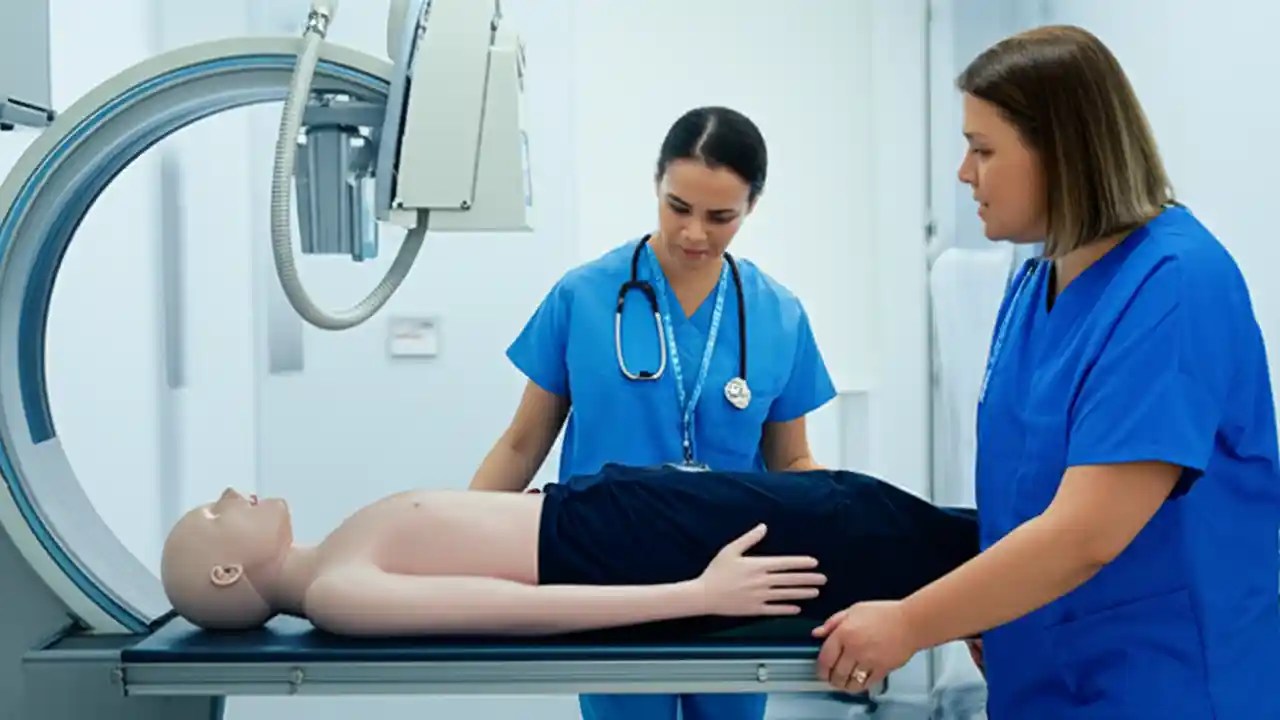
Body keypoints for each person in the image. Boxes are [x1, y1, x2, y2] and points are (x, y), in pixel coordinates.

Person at [809, 24, 1280, 718]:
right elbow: (1023, 491)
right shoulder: (1037, 281)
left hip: (1162, 685)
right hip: (1042, 678)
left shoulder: (1175, 284)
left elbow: (1088, 532)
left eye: (982, 149)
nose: (964, 173)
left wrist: (910, 623)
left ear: (1063, 151)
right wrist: (981, 605)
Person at [468, 105, 838, 719]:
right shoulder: (583, 296)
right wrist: (458, 541)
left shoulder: (778, 314)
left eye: (720, 217)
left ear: (752, 205)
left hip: (738, 576)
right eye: (678, 207)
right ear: (656, 184)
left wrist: (847, 539)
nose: (694, 233)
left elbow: (792, 460)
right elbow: (521, 443)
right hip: (609, 576)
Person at [160, 464, 979, 641]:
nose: (232, 493)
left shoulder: (335, 549)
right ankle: (1025, 576)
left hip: (615, 512)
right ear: (227, 573)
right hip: (637, 549)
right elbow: (518, 609)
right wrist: (699, 595)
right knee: (866, 529)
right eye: (215, 513)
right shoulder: (338, 592)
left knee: (863, 508)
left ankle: (1017, 566)